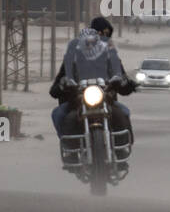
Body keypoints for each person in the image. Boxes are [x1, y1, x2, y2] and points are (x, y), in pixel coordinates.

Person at [50, 16, 135, 146]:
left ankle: (124, 147)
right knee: (58, 114)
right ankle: (68, 150)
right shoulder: (71, 60)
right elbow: (54, 90)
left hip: (107, 100)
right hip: (76, 103)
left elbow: (122, 79)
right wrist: (63, 84)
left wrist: (124, 83)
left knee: (124, 112)